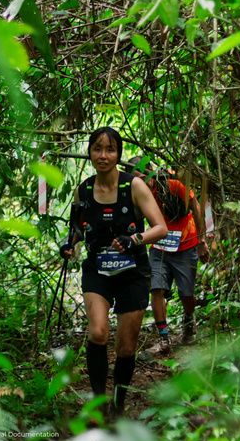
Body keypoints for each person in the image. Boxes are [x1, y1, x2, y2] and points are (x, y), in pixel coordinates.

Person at [60, 128, 168, 419]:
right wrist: (70, 243)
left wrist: (135, 240)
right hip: (98, 270)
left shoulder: (133, 186)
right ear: (90, 152)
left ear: (118, 153)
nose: (103, 155)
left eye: (109, 149)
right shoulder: (83, 189)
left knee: (126, 345)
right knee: (97, 332)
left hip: (133, 273)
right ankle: (98, 402)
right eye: (97, 149)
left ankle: (118, 405)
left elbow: (160, 228)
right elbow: (79, 228)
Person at [128, 160, 210, 351]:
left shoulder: (173, 184)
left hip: (186, 244)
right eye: (136, 180)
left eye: (142, 178)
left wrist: (201, 241)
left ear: (150, 172)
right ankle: (164, 337)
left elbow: (196, 208)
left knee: (186, 293)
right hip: (159, 246)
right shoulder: (137, 194)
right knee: (157, 289)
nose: (141, 183)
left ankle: (189, 321)